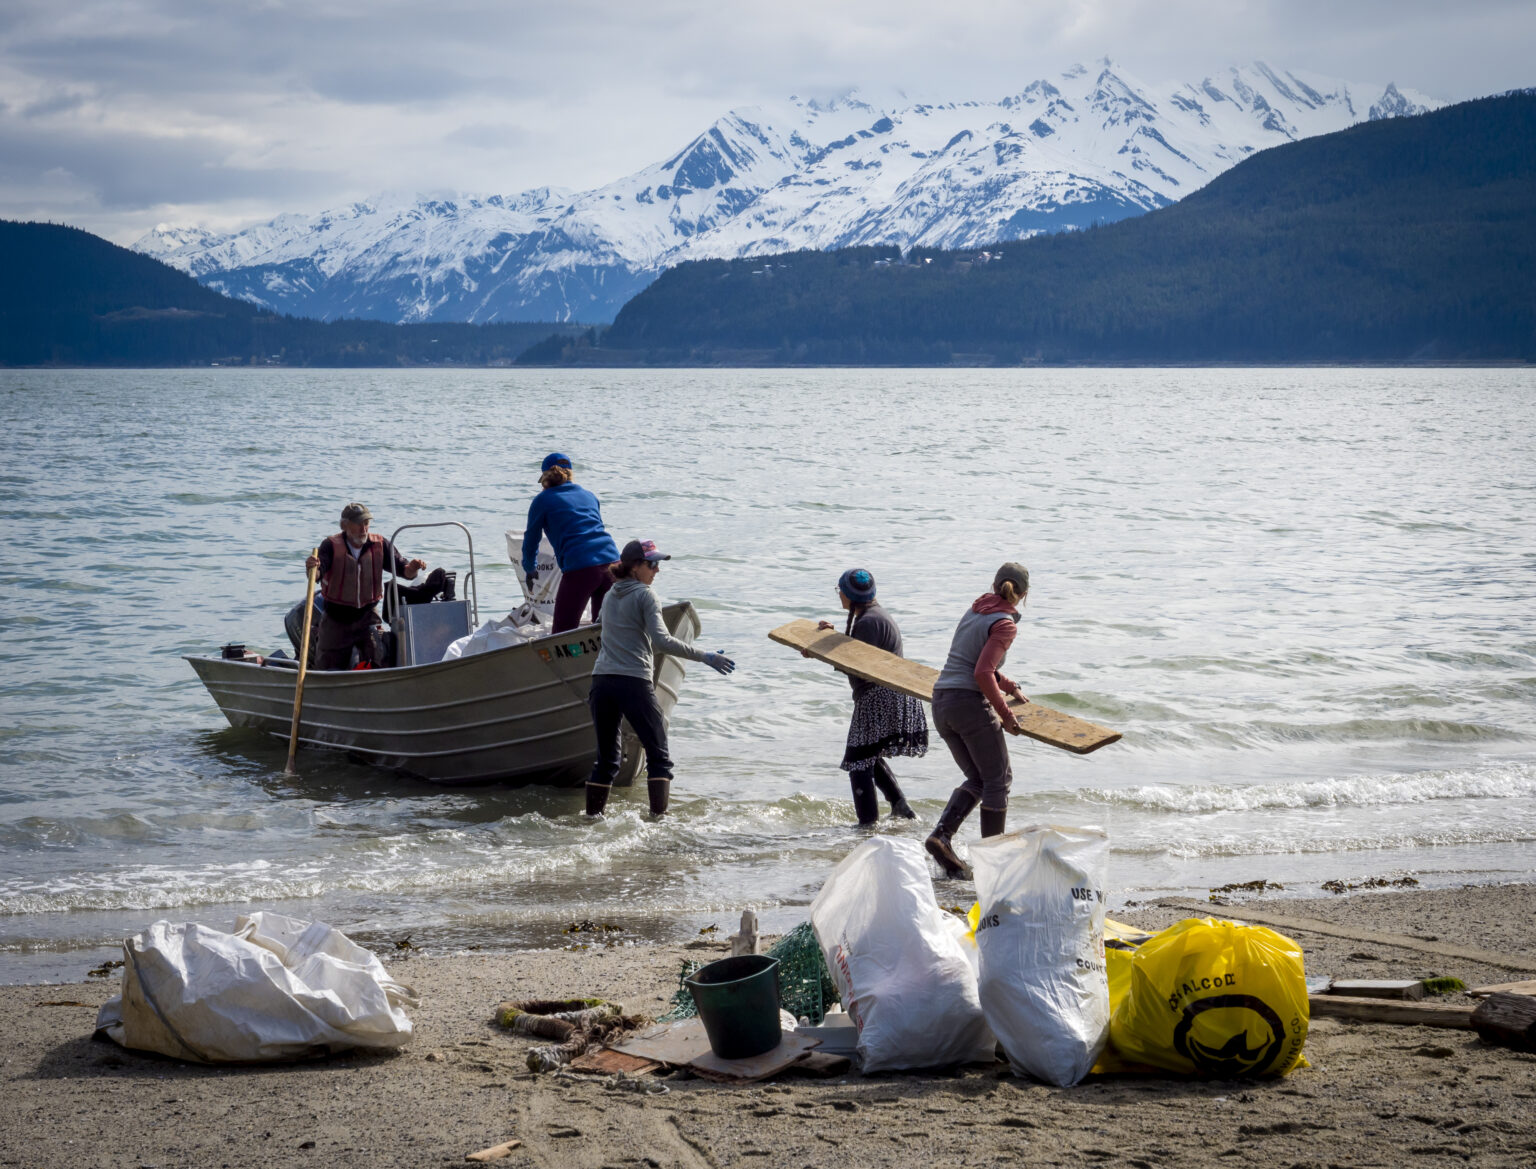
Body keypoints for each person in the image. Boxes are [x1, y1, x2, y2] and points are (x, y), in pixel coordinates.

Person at [584, 539, 735, 818]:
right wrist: (705, 656)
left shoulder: (610, 594)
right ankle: (659, 824)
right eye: (652, 564)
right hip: (632, 682)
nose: (657, 570)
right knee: (659, 756)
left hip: (601, 682)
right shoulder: (645, 595)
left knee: (606, 761)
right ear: (635, 567)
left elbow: (598, 627)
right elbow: (662, 641)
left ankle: (592, 822)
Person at [924, 562, 1032, 879]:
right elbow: (981, 672)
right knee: (1000, 780)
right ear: (1024, 595)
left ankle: (941, 837)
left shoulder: (976, 610)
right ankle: (993, 865)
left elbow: (972, 662)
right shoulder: (1005, 624)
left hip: (942, 701)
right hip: (968, 704)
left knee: (980, 779)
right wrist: (1006, 714)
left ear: (995, 584)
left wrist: (1008, 685)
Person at [816, 568, 926, 825]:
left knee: (857, 762)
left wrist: (819, 648)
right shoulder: (871, 616)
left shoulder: (867, 622)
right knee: (869, 754)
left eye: (840, 591)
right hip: (890, 695)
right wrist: (833, 636)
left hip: (878, 698)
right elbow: (855, 650)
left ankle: (867, 826)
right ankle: (901, 808)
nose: (839, 595)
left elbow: (853, 662)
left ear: (850, 595)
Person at [304, 502, 428, 671]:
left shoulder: (380, 544)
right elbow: (317, 573)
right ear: (345, 525)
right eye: (358, 523)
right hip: (336, 617)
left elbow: (404, 571)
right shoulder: (330, 545)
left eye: (366, 523)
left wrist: (413, 567)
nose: (363, 528)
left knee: (380, 657)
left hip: (367, 615)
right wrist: (313, 567)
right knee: (327, 665)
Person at [521, 453, 620, 634]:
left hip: (581, 569)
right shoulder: (589, 496)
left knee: (562, 634)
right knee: (606, 631)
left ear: (545, 478)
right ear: (571, 475)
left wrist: (529, 567)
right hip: (613, 564)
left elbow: (531, 539)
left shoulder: (542, 500)